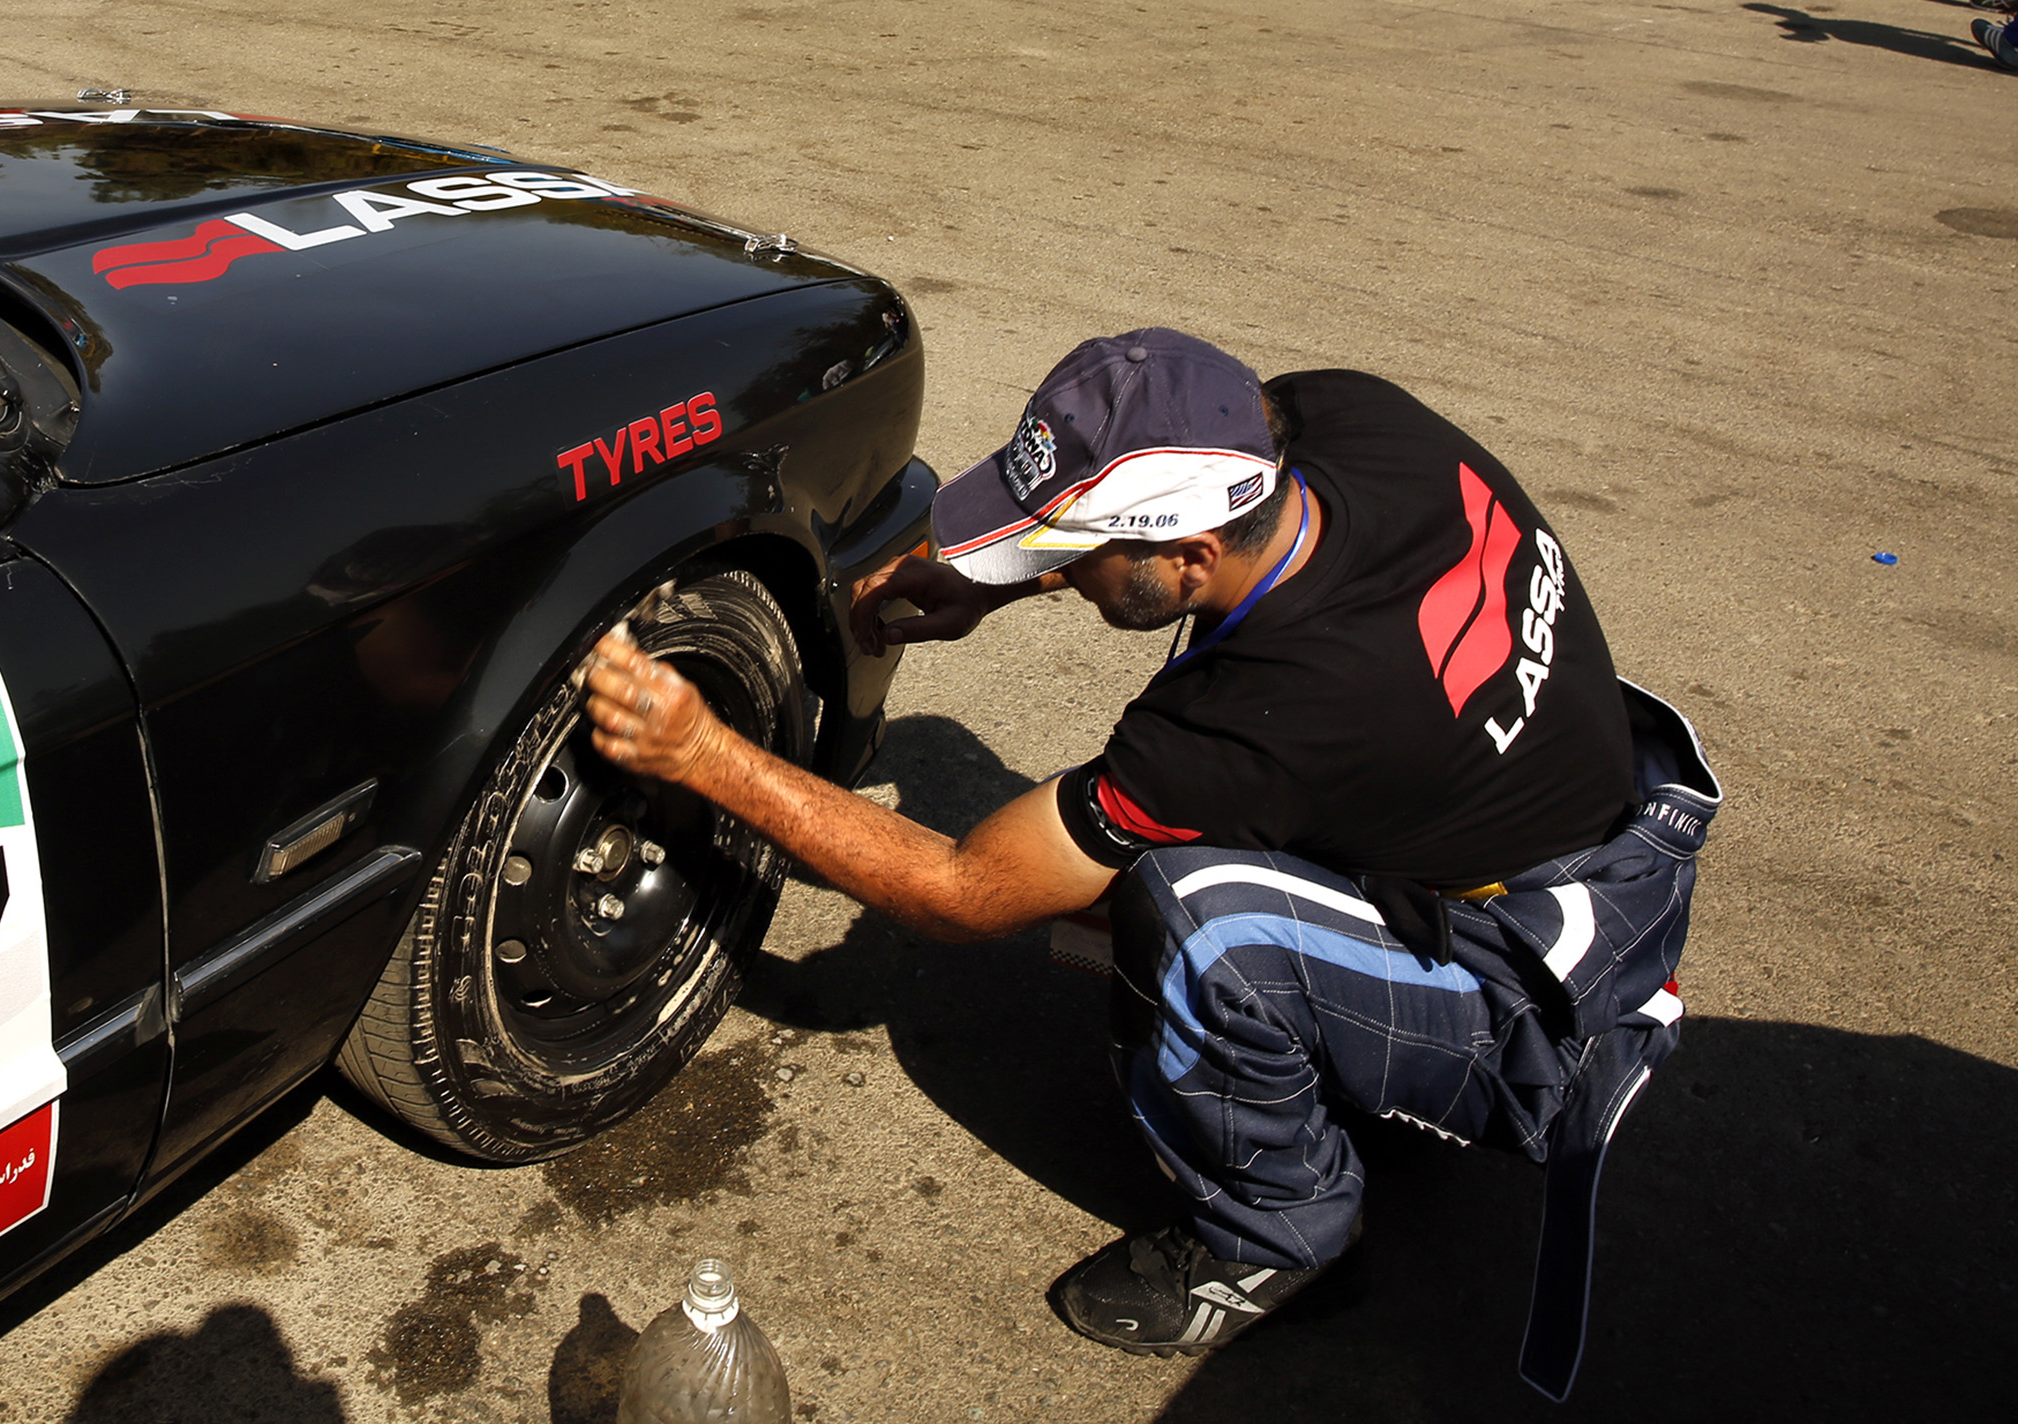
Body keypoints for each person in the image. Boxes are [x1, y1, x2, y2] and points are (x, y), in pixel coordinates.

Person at [576, 329, 1710, 1395]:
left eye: (1073, 553)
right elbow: (1196, 495)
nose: (1055, 569)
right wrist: (990, 578)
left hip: (1553, 981)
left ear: (1192, 552)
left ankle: (1286, 1231)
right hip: (1552, 802)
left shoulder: (1251, 727)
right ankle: (1338, 1048)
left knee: (1186, 910)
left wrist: (706, 755)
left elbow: (966, 891)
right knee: (1135, 872)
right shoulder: (1349, 420)